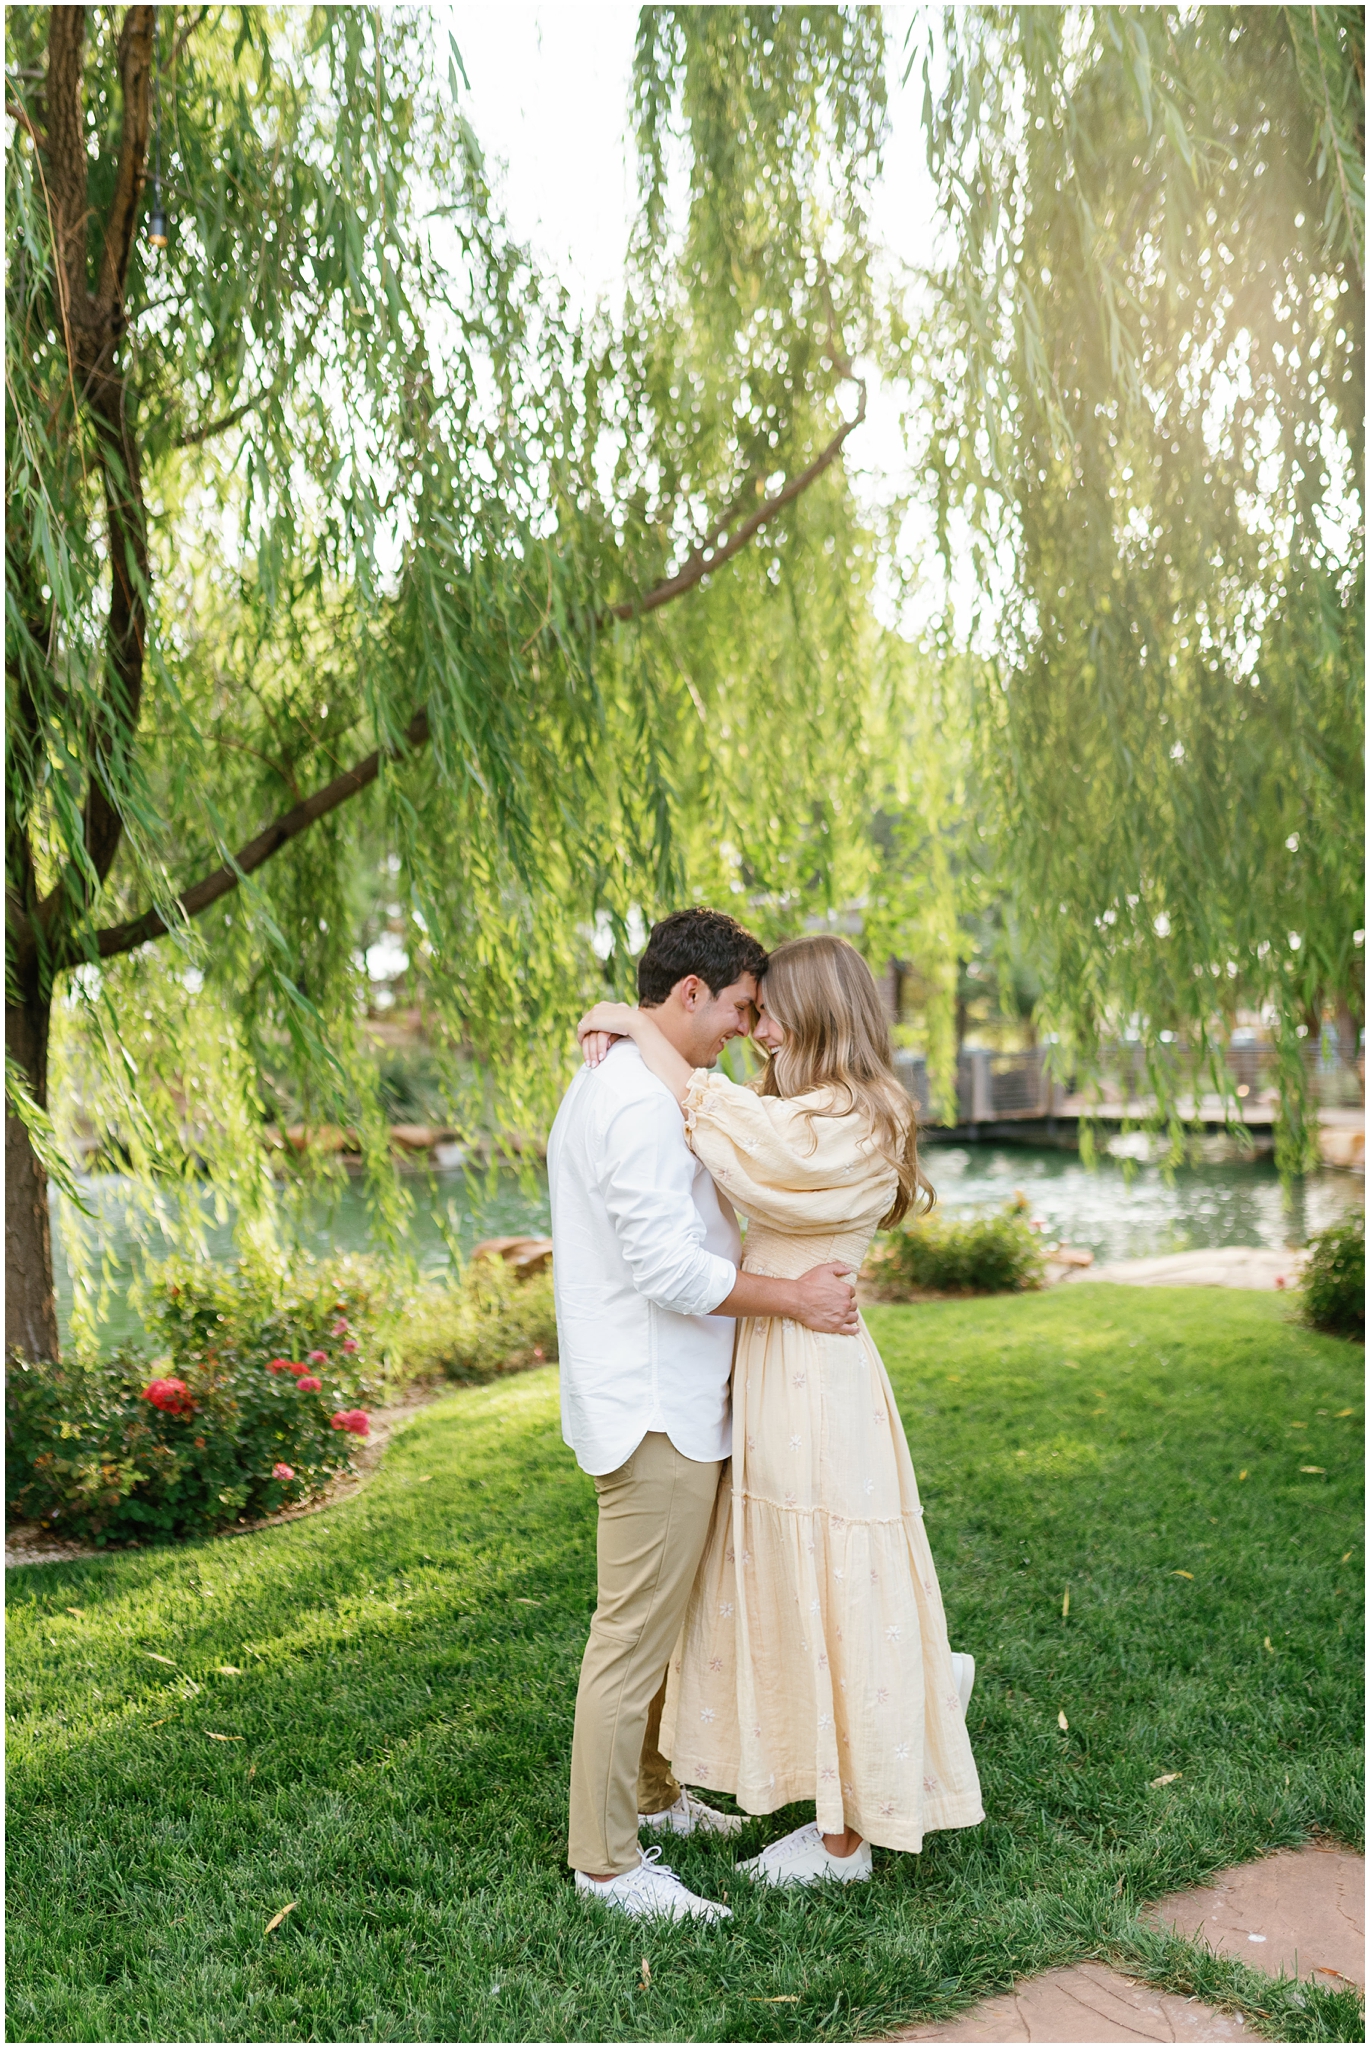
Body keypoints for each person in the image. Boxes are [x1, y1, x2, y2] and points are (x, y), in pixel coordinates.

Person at [577, 932, 984, 1889]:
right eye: (747, 1011)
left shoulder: (854, 1116)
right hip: (772, 1361)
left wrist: (640, 1028)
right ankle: (827, 1791)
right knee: (789, 1581)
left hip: (814, 1368)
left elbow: (746, 1153)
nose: (754, 1026)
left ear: (815, 1009)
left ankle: (846, 1838)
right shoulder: (801, 1105)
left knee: (836, 1579)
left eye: (767, 1010)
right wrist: (648, 1035)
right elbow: (729, 1142)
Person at [550, 908, 865, 1923]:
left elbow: (729, 1126)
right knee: (631, 1632)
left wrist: (615, 1017)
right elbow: (665, 1267)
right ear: (689, 993)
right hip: (652, 1408)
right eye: (735, 1005)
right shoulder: (631, 1100)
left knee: (660, 1624)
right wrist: (794, 1297)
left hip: (671, 1399)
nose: (742, 1025)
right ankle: (605, 1863)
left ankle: (652, 1792)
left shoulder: (644, 1080)